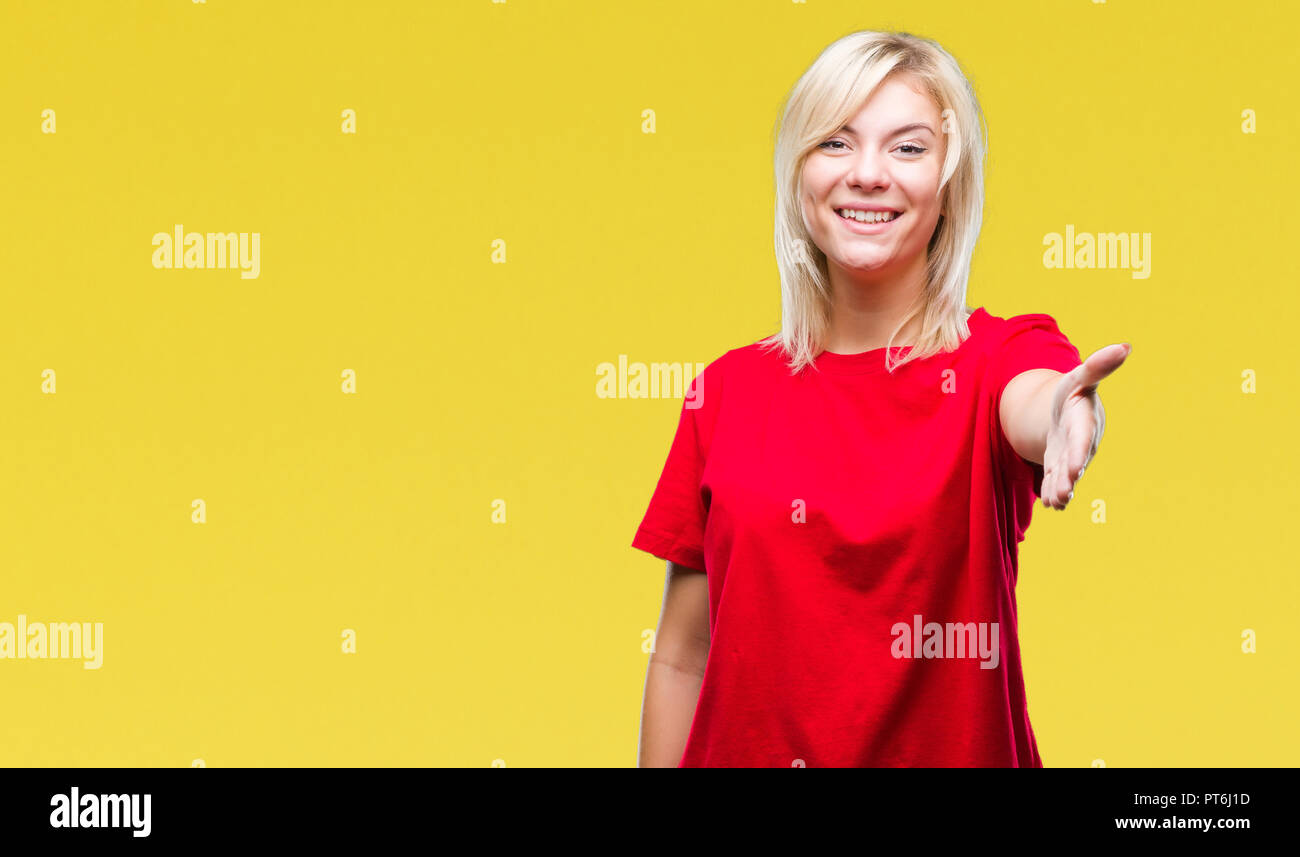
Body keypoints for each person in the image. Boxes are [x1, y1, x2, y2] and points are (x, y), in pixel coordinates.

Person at [631, 30, 1131, 767]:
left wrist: (1068, 412)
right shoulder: (726, 391)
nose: (868, 174)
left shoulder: (998, 358)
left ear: (950, 183)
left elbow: (1041, 400)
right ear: (798, 174)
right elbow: (681, 658)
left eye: (908, 148)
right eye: (836, 142)